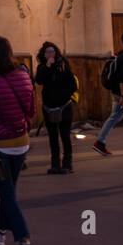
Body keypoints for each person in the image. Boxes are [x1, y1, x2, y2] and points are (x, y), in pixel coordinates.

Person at [0, 35, 37, 245]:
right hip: (22, 142)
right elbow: (32, 110)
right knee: (9, 193)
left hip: (0, 146)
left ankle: (25, 243)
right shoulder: (24, 75)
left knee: (7, 195)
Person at [34, 41, 78, 174]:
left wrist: (64, 96)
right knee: (52, 137)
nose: (50, 54)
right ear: (44, 54)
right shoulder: (42, 67)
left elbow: (72, 85)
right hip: (48, 107)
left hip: (64, 106)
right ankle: (55, 164)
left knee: (65, 135)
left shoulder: (63, 66)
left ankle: (67, 163)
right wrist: (47, 67)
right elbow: (39, 81)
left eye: (52, 51)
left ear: (56, 52)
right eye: (47, 52)